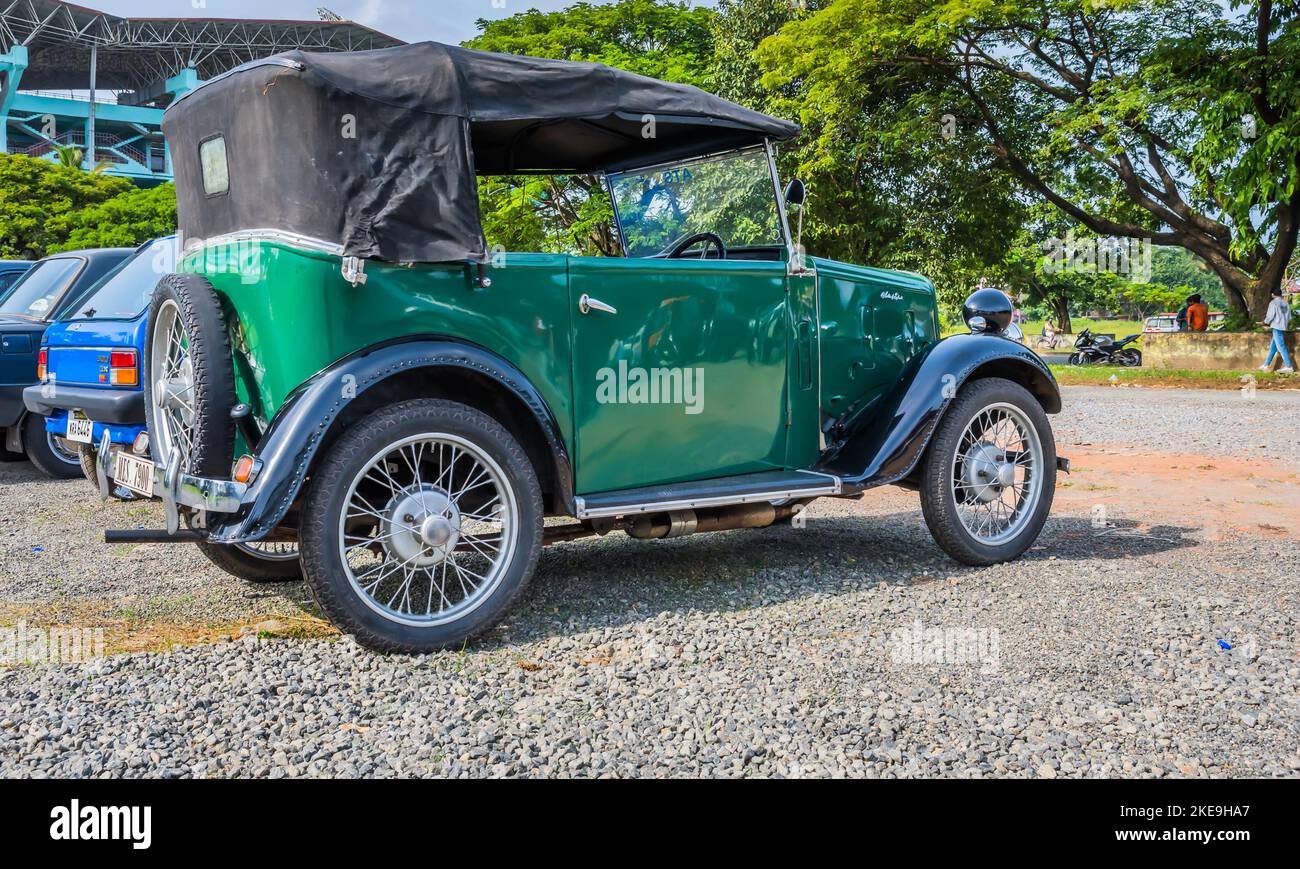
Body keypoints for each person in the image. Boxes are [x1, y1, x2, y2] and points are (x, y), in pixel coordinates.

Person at [1259, 287, 1295, 373]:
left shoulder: (1273, 303)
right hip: (1283, 327)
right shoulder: (1285, 303)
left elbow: (1270, 316)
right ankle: (1265, 365)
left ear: (1273, 294)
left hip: (1276, 327)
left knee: (1281, 347)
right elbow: (1289, 317)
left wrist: (1264, 322)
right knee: (1273, 348)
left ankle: (1289, 367)